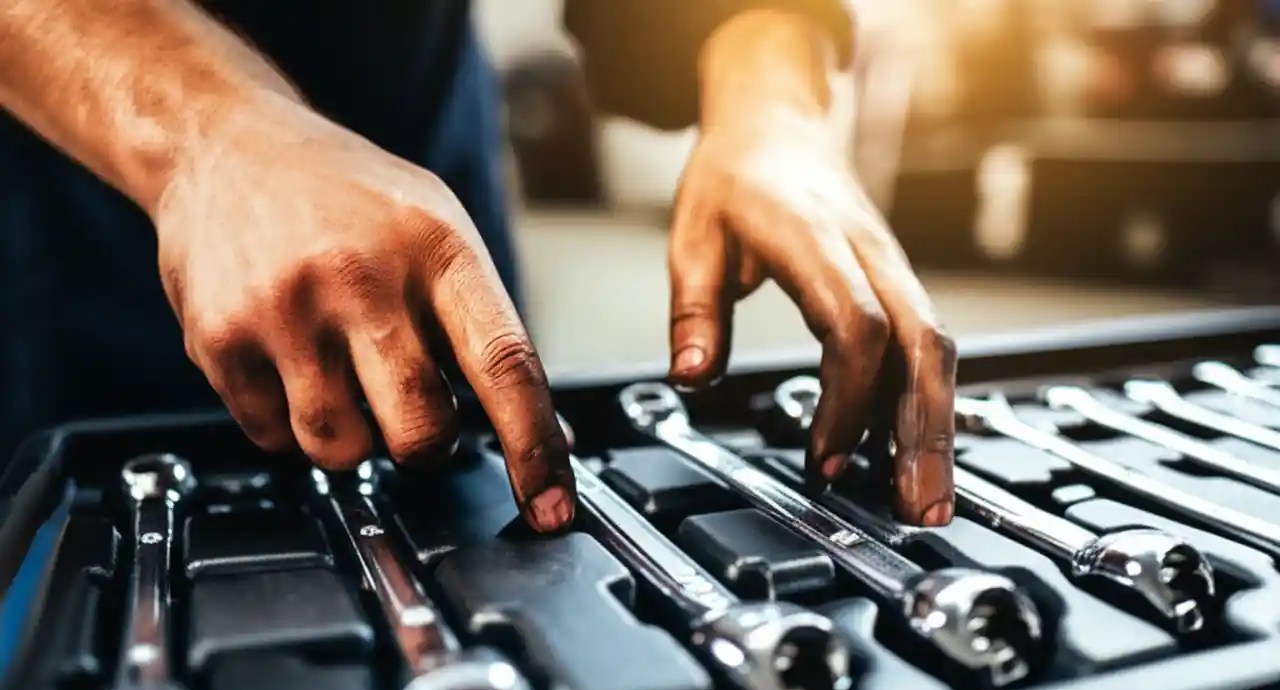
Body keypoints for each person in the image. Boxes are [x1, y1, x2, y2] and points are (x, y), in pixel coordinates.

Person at [0, 0, 957, 534]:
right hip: (83, 160)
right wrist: (200, 133)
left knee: (474, 478)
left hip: (417, 105)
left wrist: (768, 89)